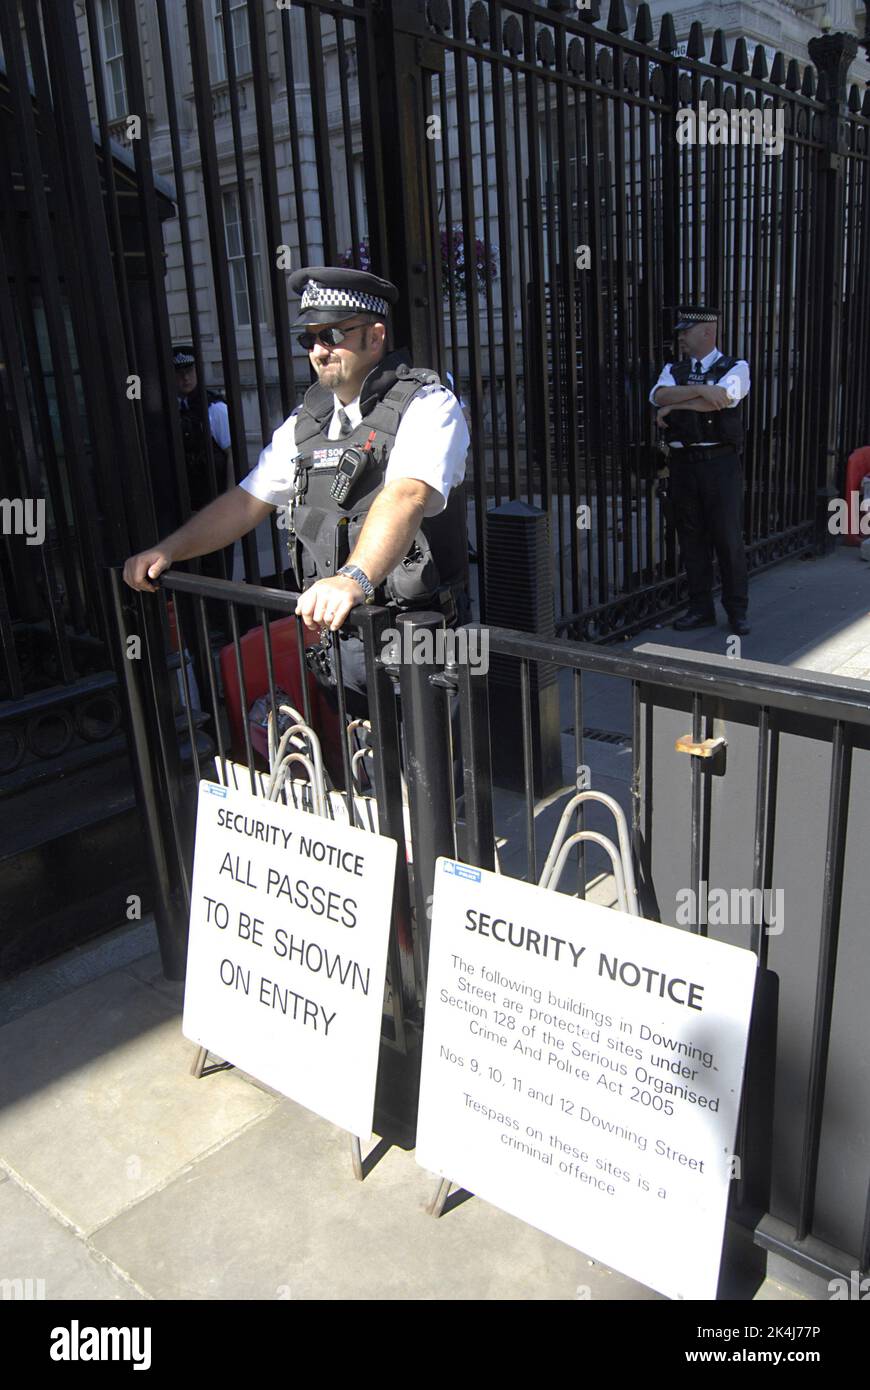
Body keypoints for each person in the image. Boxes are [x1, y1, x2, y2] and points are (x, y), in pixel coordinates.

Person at [125, 269, 470, 718]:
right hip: (339, 641)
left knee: (429, 780)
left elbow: (405, 495)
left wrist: (352, 579)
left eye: (330, 335)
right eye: (308, 340)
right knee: (361, 768)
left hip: (416, 637)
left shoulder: (427, 404)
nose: (318, 351)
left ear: (375, 336)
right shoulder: (306, 423)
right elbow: (247, 501)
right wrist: (168, 549)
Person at [650, 307, 751, 636]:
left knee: (727, 539)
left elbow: (722, 400)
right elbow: (658, 394)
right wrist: (701, 390)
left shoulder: (736, 367)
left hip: (720, 465)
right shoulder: (673, 368)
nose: (680, 336)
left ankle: (737, 611)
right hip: (682, 466)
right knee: (691, 540)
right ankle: (700, 609)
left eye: (686, 330)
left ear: (708, 332)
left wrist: (676, 404)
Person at [172, 345, 235, 587]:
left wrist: (230, 501)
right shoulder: (168, 410)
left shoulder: (215, 409)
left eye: (189, 371)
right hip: (183, 508)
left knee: (216, 574)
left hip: (213, 506)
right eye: (179, 373)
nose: (185, 378)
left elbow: (232, 456)